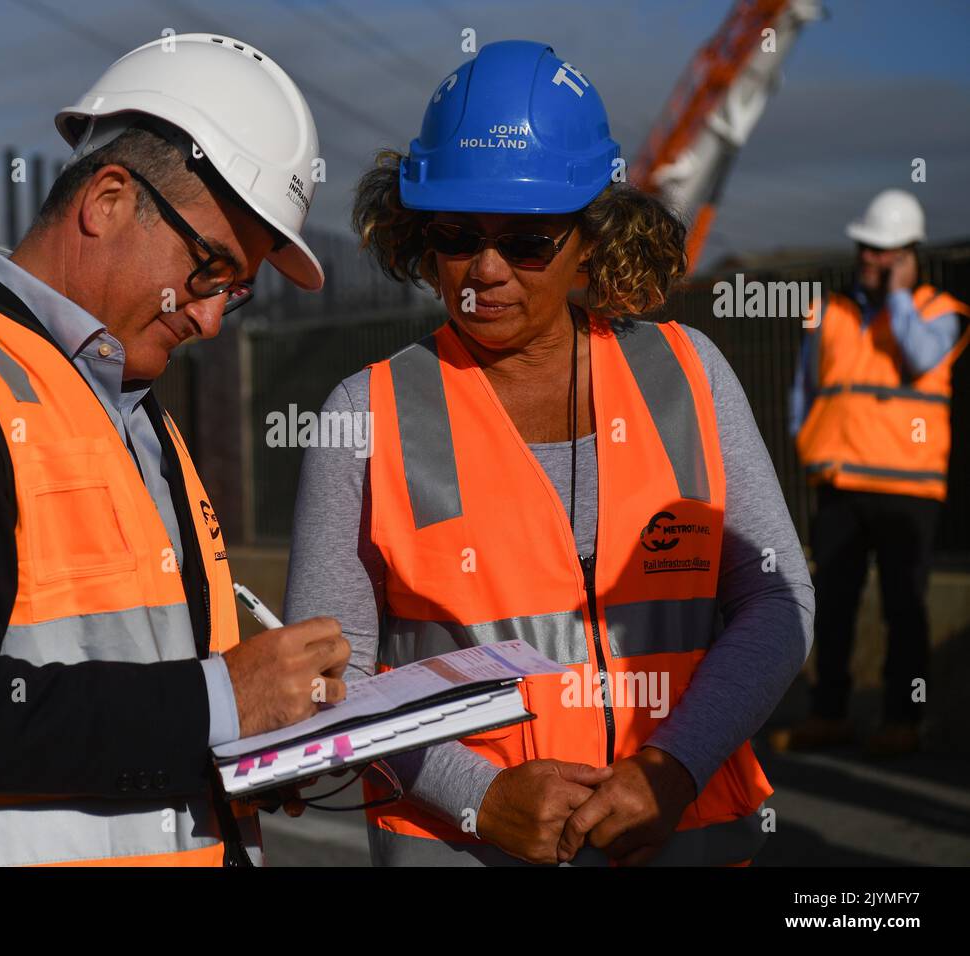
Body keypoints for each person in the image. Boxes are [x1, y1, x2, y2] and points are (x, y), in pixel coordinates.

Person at [0, 34, 348, 867]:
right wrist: (225, 702)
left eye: (234, 294)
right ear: (106, 199)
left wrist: (247, 752)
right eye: (208, 270)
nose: (210, 318)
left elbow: (146, 695)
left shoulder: (134, 414)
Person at [285, 40, 814, 866]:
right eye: (458, 236)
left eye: (528, 241)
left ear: (590, 239)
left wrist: (673, 768)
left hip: (686, 838)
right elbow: (328, 678)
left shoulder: (690, 377)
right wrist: (480, 798)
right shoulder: (364, 417)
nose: (486, 271)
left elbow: (778, 604)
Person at [774, 189, 969, 756]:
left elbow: (919, 357)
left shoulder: (941, 313)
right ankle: (829, 714)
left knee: (903, 606)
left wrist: (899, 297)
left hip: (909, 488)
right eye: (867, 247)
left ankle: (902, 720)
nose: (871, 258)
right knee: (833, 604)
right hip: (839, 482)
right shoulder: (830, 311)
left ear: (909, 255)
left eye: (885, 251)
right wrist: (807, 444)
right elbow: (802, 389)